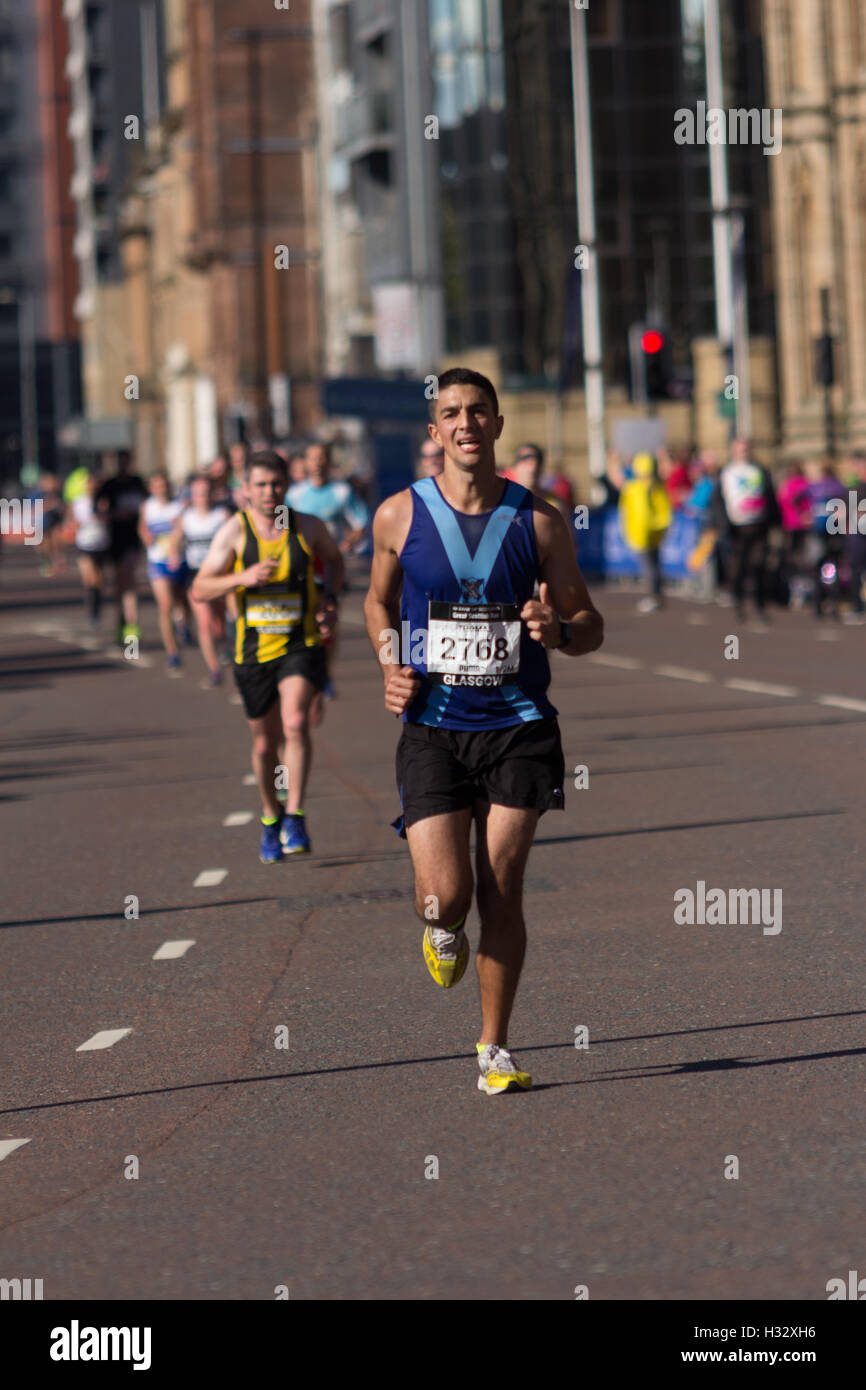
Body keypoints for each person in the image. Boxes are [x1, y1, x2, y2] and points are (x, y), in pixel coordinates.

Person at [364, 366, 604, 1095]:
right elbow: (377, 603)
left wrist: (558, 630)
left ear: (497, 425)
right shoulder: (398, 516)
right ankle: (441, 927)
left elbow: (590, 625)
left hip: (518, 726)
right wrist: (390, 661)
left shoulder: (540, 521)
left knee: (503, 887)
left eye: (478, 411)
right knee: (446, 895)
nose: (465, 423)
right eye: (451, 413)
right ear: (434, 431)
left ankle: (494, 1048)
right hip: (433, 727)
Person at [192, 450, 344, 862]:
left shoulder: (308, 527)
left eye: (276, 484)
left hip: (300, 642)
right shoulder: (234, 532)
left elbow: (334, 560)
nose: (269, 492)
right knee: (264, 744)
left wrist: (329, 598)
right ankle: (270, 815)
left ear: (287, 485)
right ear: (245, 489)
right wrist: (241, 577)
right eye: (260, 484)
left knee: (295, 722)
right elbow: (200, 588)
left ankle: (295, 815)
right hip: (253, 651)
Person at [287, 441, 370, 700]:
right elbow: (281, 527)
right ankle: (301, 672)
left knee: (329, 622)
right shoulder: (295, 494)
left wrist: (346, 543)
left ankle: (327, 676)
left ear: (328, 461)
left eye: (322, 457)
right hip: (302, 566)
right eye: (312, 458)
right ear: (305, 462)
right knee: (300, 621)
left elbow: (361, 523)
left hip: (330, 564)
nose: (317, 463)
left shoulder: (342, 491)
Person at [170, 474, 231, 684]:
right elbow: (174, 541)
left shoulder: (221, 515)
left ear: (212, 494)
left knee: (219, 621)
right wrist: (174, 556)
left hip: (220, 574)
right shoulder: (187, 518)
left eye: (206, 493)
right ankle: (214, 669)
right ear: (192, 496)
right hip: (196, 575)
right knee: (204, 622)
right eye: (198, 494)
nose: (202, 497)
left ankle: (224, 645)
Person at [717, 438, 780, 623]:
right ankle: (738, 604)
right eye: (740, 450)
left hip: (759, 524)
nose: (743, 453)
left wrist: (776, 521)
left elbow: (770, 495)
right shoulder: (727, 472)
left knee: (759, 564)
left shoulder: (759, 470)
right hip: (737, 527)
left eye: (746, 449)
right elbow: (718, 500)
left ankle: (760, 606)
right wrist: (721, 524)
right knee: (738, 566)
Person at [139, 473, 191, 672]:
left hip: (179, 561)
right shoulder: (147, 506)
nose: (161, 489)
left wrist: (174, 549)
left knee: (182, 601)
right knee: (165, 605)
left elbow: (182, 530)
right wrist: (146, 537)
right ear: (151, 488)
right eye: (157, 485)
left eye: (164, 485)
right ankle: (172, 652)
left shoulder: (179, 506)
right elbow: (142, 527)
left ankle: (183, 625)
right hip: (158, 561)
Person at [95, 450, 148, 644]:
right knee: (120, 585)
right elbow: (97, 509)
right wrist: (114, 515)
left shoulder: (137, 483)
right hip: (115, 539)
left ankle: (131, 625)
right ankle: (121, 620)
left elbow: (148, 505)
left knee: (130, 580)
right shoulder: (110, 485)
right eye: (120, 462)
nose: (123, 466)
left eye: (126, 462)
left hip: (133, 539)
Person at [618, 453, 673, 612]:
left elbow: (628, 512)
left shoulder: (634, 488)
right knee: (654, 565)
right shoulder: (655, 486)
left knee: (649, 567)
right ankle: (657, 596)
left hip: (642, 533)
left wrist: (629, 532)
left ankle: (654, 597)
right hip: (653, 532)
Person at [71, 472, 109, 626]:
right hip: (85, 543)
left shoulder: (104, 501)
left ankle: (97, 606)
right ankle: (91, 611)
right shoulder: (79, 502)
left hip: (101, 543)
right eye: (89, 484)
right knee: (89, 578)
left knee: (99, 580)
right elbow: (72, 522)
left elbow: (109, 520)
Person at [506, 444, 572, 523]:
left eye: (536, 463)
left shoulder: (555, 505)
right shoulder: (503, 504)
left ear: (541, 469)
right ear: (514, 468)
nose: (532, 468)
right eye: (526, 463)